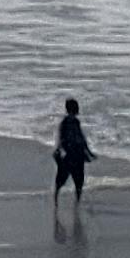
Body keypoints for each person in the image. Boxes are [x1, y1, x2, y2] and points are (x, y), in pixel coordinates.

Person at [51, 95, 92, 224]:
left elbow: (62, 139)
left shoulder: (67, 122)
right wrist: (87, 151)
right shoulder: (69, 123)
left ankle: (57, 201)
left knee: (64, 180)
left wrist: (59, 150)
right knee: (77, 181)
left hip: (70, 154)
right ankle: (73, 202)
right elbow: (79, 139)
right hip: (75, 154)